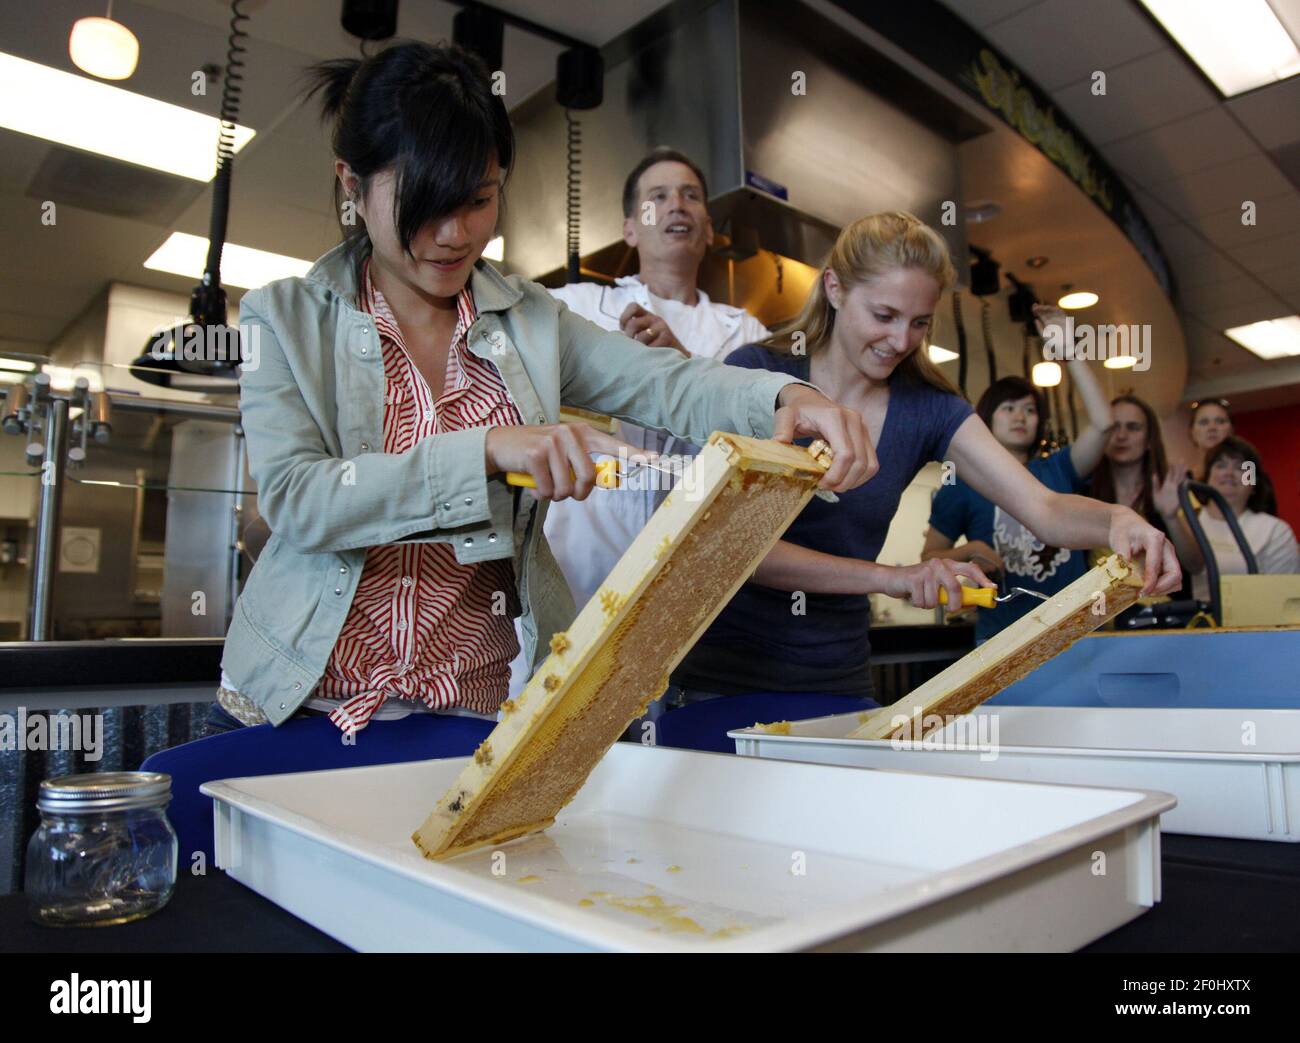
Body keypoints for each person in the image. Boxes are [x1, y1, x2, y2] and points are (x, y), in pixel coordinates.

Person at [208, 42, 876, 738]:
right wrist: (490, 449)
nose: (454, 234)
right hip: (296, 701)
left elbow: (665, 381)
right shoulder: (281, 317)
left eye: (478, 199)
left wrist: (780, 398)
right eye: (424, 203)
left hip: (464, 708)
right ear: (352, 184)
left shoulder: (530, 320)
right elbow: (299, 499)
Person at [663, 212, 1181, 746]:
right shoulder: (757, 374)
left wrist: (1117, 519)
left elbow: (1045, 509)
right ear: (835, 289)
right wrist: (896, 577)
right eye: (884, 314)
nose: (899, 340)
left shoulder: (928, 408)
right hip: (717, 682)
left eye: (919, 322)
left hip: (836, 686)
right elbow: (734, 549)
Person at [508, 148, 769, 698]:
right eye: (658, 197)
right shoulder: (576, 307)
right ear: (630, 227)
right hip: (576, 568)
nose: (677, 205)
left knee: (658, 745)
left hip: (686, 588)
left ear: (709, 229)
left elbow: (758, 462)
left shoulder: (745, 334)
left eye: (691, 195)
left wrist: (680, 368)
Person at [922, 304, 1114, 643]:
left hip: (1075, 632)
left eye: (1029, 410)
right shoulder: (963, 484)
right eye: (1008, 408)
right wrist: (970, 550)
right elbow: (928, 558)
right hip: (1001, 640)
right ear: (986, 419)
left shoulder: (1058, 469)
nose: (1020, 416)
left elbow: (1102, 425)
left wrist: (1071, 354)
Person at [1088, 394, 1204, 578]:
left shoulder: (1172, 487)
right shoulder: (1084, 490)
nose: (1121, 435)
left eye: (1133, 427)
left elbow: (1196, 564)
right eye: (1114, 426)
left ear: (1150, 439)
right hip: (1103, 604)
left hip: (1164, 604)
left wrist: (1171, 517)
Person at [1189, 436, 1297, 603]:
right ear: (1207, 477)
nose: (1229, 473)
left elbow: (1283, 598)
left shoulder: (1274, 530)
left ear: (1253, 483)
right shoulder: (1186, 523)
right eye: (1220, 465)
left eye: (1241, 468)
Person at [1188, 398, 1233, 479]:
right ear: (1192, 433)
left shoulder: (1248, 477)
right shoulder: (1182, 481)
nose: (1212, 428)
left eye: (1220, 421)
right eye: (1204, 422)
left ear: (1231, 430)